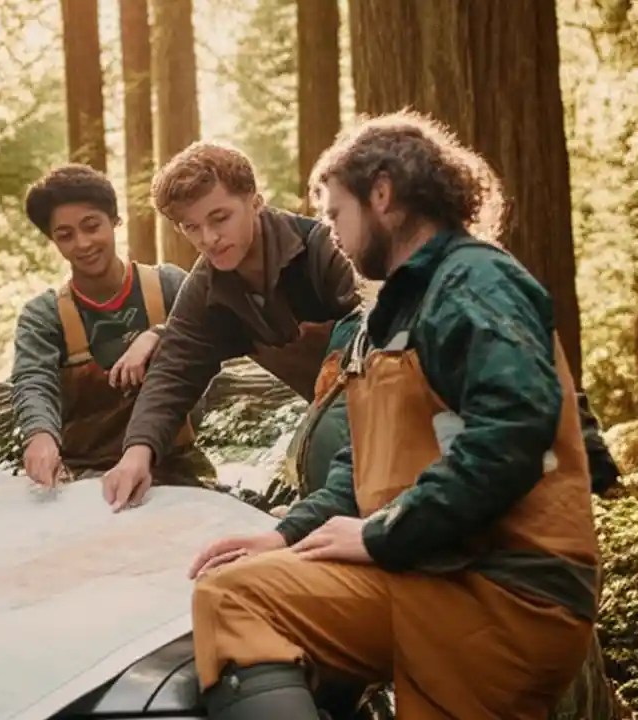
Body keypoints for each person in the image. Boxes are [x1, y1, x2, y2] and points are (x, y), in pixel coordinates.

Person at [186, 111, 599, 720]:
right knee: (251, 577)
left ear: (382, 195)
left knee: (234, 600)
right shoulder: (399, 309)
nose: (333, 237)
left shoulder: (472, 280)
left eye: (335, 216)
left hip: (499, 590)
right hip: (442, 578)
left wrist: (383, 533)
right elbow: (366, 464)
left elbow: (516, 434)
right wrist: (281, 538)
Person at [100, 141, 362, 510]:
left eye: (220, 218)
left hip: (389, 419)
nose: (208, 238)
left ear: (255, 202)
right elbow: (174, 371)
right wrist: (136, 453)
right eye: (192, 227)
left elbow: (389, 338)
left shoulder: (327, 250)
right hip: (330, 435)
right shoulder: (206, 287)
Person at [11, 164, 216, 489]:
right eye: (65, 235)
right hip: (85, 479)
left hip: (177, 470)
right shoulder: (44, 316)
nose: (82, 243)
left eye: (92, 226)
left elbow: (214, 337)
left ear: (116, 221)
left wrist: (158, 334)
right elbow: (33, 381)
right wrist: (40, 435)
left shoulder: (169, 286)